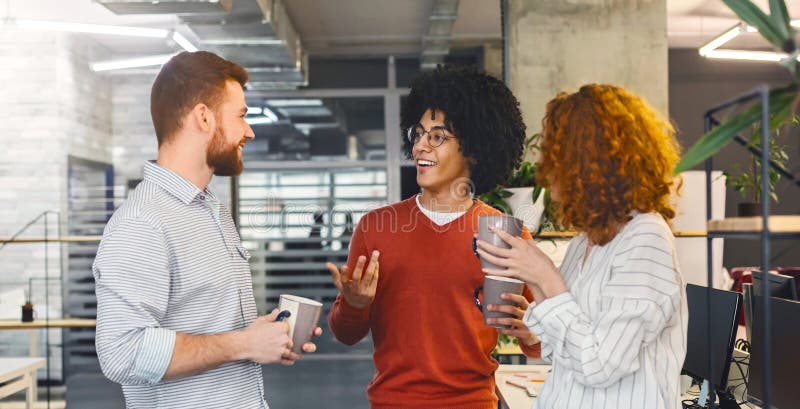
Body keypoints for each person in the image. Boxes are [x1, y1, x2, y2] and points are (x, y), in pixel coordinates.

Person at [93, 51, 321, 409]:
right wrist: (244, 344)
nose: (249, 130)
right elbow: (122, 351)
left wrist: (262, 337)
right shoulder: (143, 222)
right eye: (241, 116)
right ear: (204, 117)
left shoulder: (210, 211)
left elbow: (212, 327)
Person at [326, 65, 541, 409]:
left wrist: (530, 333)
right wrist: (354, 304)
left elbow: (544, 340)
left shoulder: (506, 234)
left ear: (473, 148)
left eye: (437, 136)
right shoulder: (375, 228)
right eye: (418, 133)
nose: (420, 146)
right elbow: (344, 333)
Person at [475, 84, 688, 409]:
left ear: (587, 165)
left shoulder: (646, 239)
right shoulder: (586, 241)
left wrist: (545, 277)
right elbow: (574, 338)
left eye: (555, 157)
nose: (546, 171)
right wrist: (532, 324)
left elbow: (599, 364)